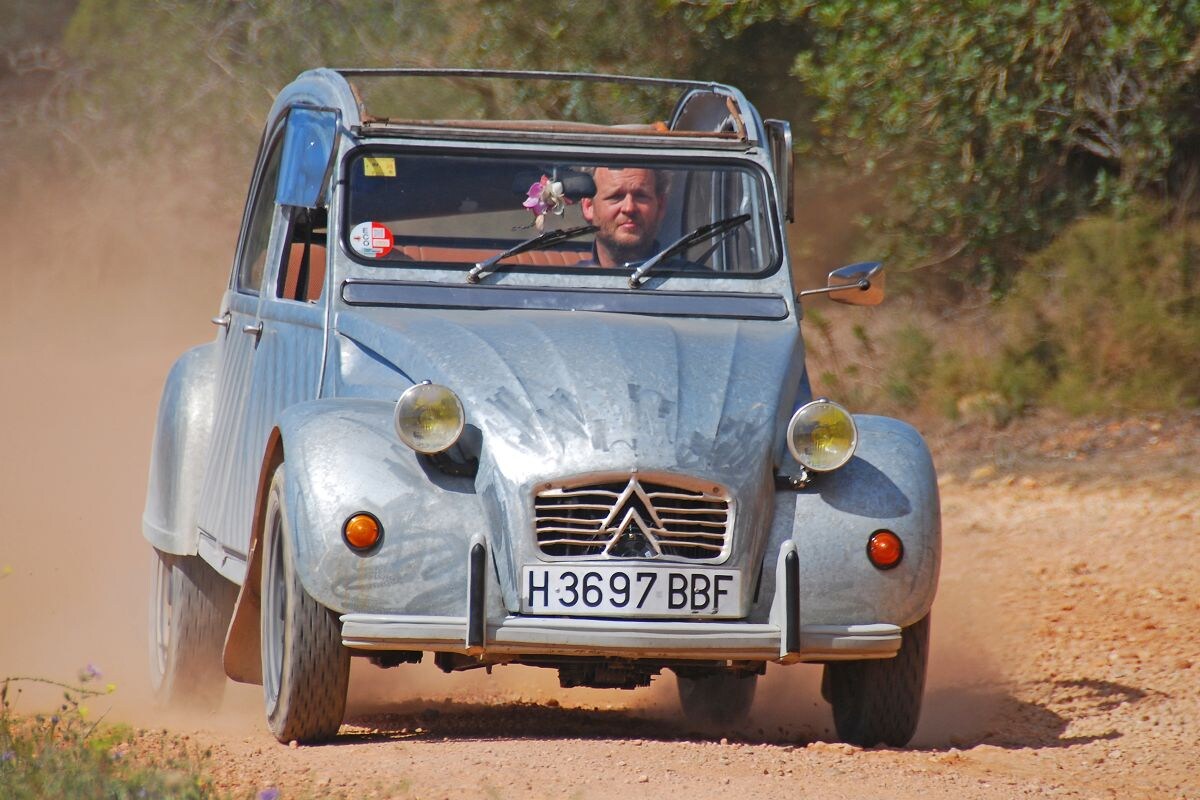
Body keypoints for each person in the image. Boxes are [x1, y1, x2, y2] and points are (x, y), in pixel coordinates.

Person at [579, 167, 667, 267]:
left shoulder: (681, 275)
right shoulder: (568, 276)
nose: (629, 208)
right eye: (616, 196)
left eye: (640, 196)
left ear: (660, 206)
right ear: (589, 206)